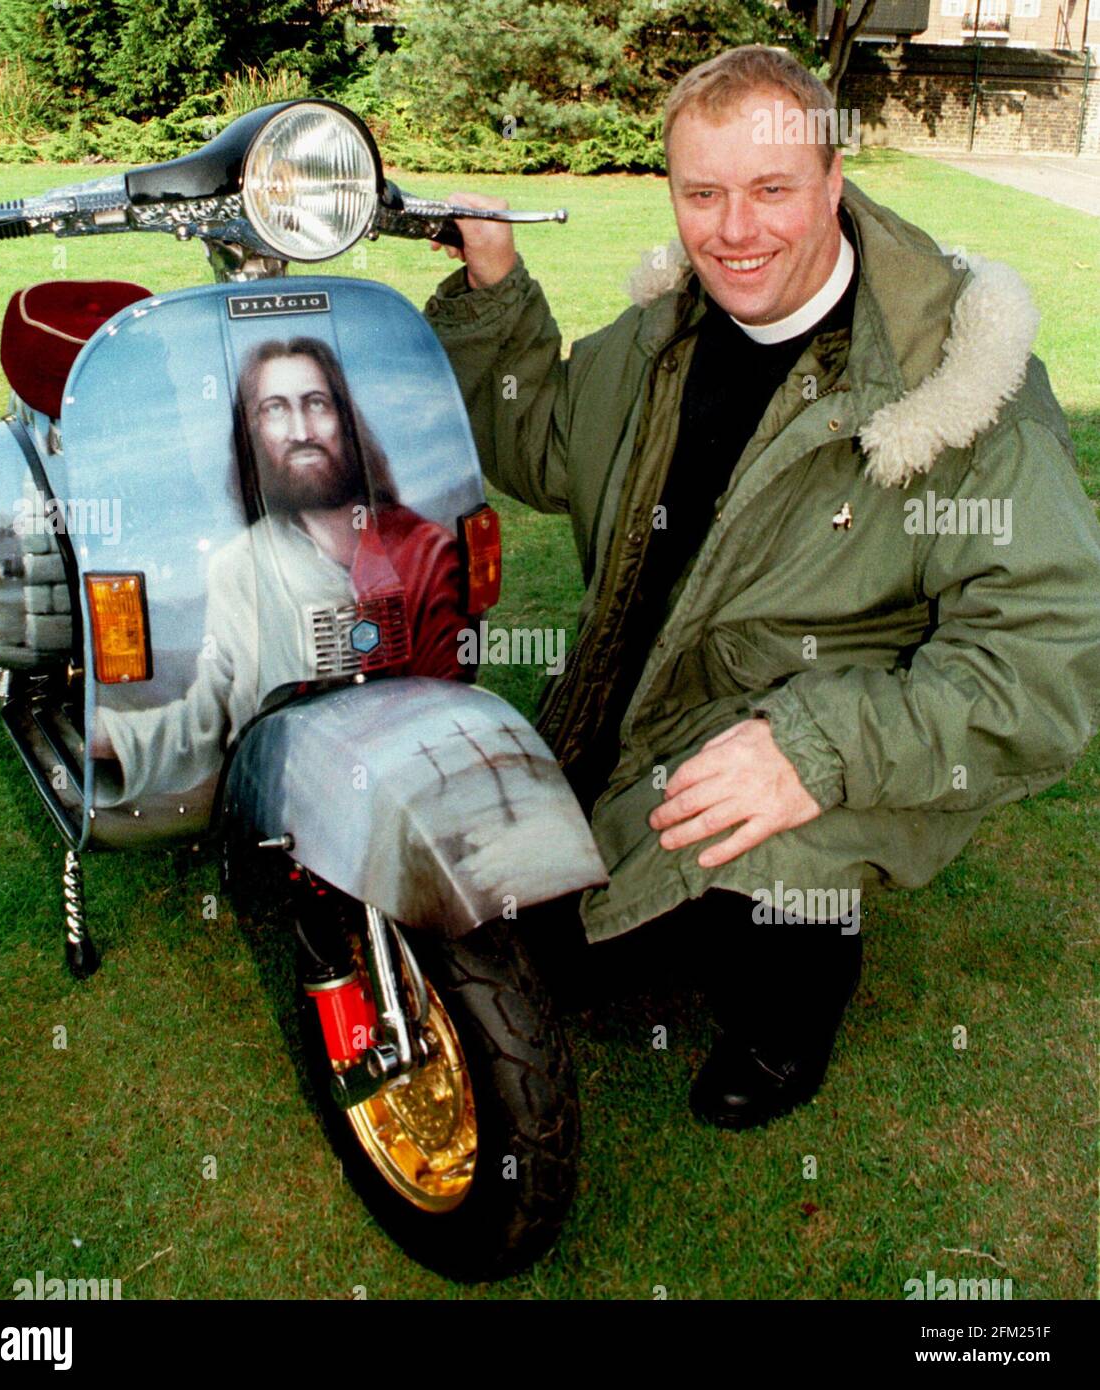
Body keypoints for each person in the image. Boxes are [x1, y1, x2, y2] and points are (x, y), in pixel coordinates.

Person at [423, 45, 1100, 1129]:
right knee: (544, 953)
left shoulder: (964, 388)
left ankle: (793, 1007)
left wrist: (821, 750)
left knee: (767, 856)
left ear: (835, 182)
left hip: (799, 725)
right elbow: (544, 440)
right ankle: (659, 851)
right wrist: (496, 287)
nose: (735, 230)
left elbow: (1049, 660)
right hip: (641, 712)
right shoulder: (663, 337)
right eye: (704, 193)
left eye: (773, 189)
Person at [93, 337, 467, 803]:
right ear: (253, 433)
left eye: (316, 404)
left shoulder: (423, 552)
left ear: (345, 421)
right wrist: (107, 737)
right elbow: (209, 719)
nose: (300, 430)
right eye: (274, 409)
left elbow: (442, 714)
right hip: (273, 805)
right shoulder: (239, 565)